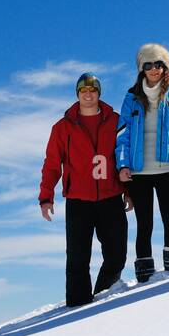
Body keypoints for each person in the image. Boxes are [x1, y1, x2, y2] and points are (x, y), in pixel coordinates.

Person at [38, 72, 131, 307]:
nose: (88, 95)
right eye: (83, 91)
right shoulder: (62, 127)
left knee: (117, 255)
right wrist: (46, 196)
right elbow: (51, 164)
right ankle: (77, 308)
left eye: (92, 90)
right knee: (78, 259)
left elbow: (125, 157)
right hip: (78, 200)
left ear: (99, 93)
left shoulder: (116, 121)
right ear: (78, 94)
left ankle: (103, 299)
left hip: (111, 197)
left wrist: (129, 191)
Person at [115, 43, 169, 282]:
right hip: (139, 171)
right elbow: (122, 134)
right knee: (144, 223)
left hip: (168, 167)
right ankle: (145, 276)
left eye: (158, 64)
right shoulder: (131, 98)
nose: (153, 69)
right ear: (141, 69)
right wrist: (123, 165)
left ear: (165, 67)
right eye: (148, 64)